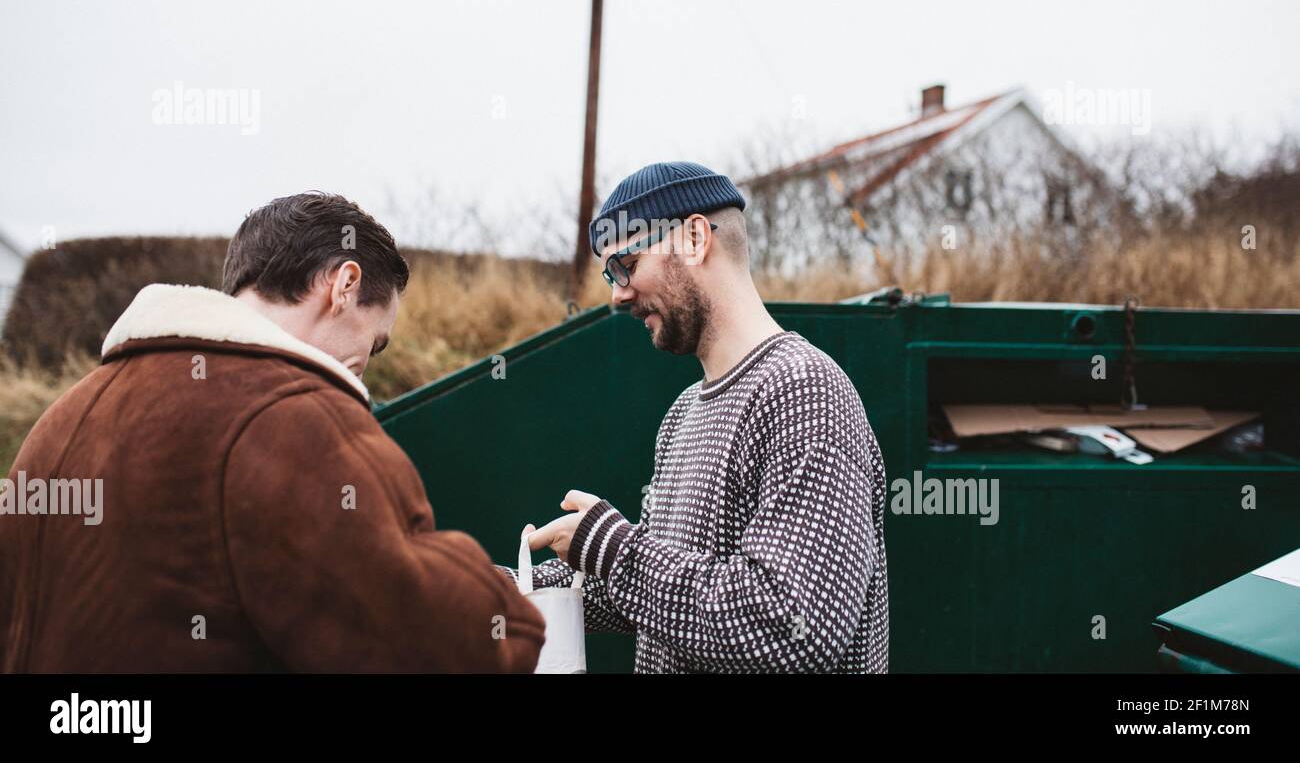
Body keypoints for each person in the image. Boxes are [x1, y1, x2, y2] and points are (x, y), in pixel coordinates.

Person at [0, 192, 543, 672]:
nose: (367, 369)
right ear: (345, 285)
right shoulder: (296, 419)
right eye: (375, 342)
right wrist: (505, 608)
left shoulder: (61, 421)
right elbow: (432, 646)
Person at [523, 161, 889, 672]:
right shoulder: (682, 415)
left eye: (626, 263)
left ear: (694, 238)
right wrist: (516, 586)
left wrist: (615, 550)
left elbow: (795, 625)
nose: (617, 292)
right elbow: (668, 601)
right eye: (611, 274)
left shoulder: (805, 393)